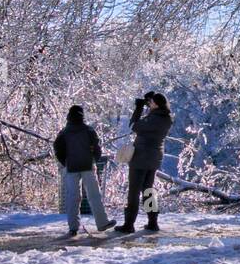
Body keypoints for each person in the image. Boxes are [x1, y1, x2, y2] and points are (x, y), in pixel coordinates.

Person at [54, 105, 116, 237]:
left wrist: (65, 162)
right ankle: (102, 222)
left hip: (71, 167)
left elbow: (57, 148)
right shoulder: (89, 130)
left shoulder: (64, 132)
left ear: (69, 116)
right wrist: (94, 159)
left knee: (73, 198)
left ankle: (73, 228)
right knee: (94, 195)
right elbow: (97, 148)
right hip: (88, 166)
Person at [116, 91, 172, 234]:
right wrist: (148, 104)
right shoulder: (166, 118)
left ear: (156, 104)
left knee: (134, 192)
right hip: (154, 158)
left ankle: (129, 224)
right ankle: (153, 222)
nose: (149, 104)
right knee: (148, 190)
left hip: (141, 157)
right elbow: (147, 122)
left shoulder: (153, 119)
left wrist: (138, 108)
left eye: (151, 102)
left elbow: (134, 125)